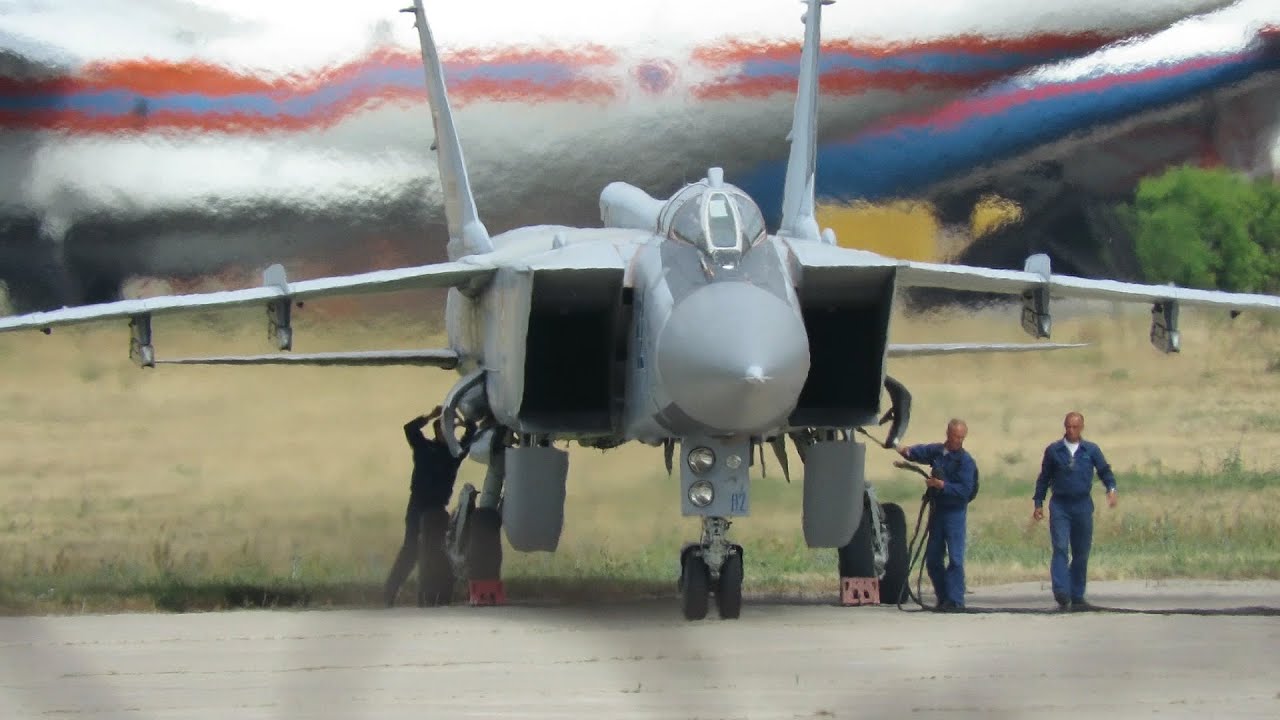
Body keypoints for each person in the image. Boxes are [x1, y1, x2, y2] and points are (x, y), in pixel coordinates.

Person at [384, 406, 477, 607]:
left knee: (435, 552)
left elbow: (471, 436)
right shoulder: (424, 448)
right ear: (437, 431)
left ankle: (433, 595)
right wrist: (430, 416)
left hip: (436, 511)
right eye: (444, 430)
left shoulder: (454, 454)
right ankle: (389, 594)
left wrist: (463, 421)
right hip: (418, 505)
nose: (448, 434)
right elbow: (409, 429)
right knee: (410, 550)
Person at [1032, 411, 1117, 611]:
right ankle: (1062, 591)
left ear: (1081, 428)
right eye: (1068, 426)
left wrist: (1111, 489)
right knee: (1060, 547)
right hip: (1060, 504)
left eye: (1075, 427)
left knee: (1081, 550)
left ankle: (1077, 594)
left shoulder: (1091, 450)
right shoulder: (1054, 451)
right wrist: (1038, 503)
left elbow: (1104, 471)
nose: (1071, 430)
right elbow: (1044, 478)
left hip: (1082, 504)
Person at [897, 418, 978, 611]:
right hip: (938, 511)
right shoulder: (938, 451)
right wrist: (904, 450)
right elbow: (920, 453)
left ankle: (956, 600)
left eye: (961, 437)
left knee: (956, 558)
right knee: (933, 558)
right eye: (954, 436)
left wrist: (943, 486)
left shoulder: (966, 462)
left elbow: (966, 491)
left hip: (955, 513)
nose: (958, 441)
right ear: (948, 434)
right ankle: (943, 597)